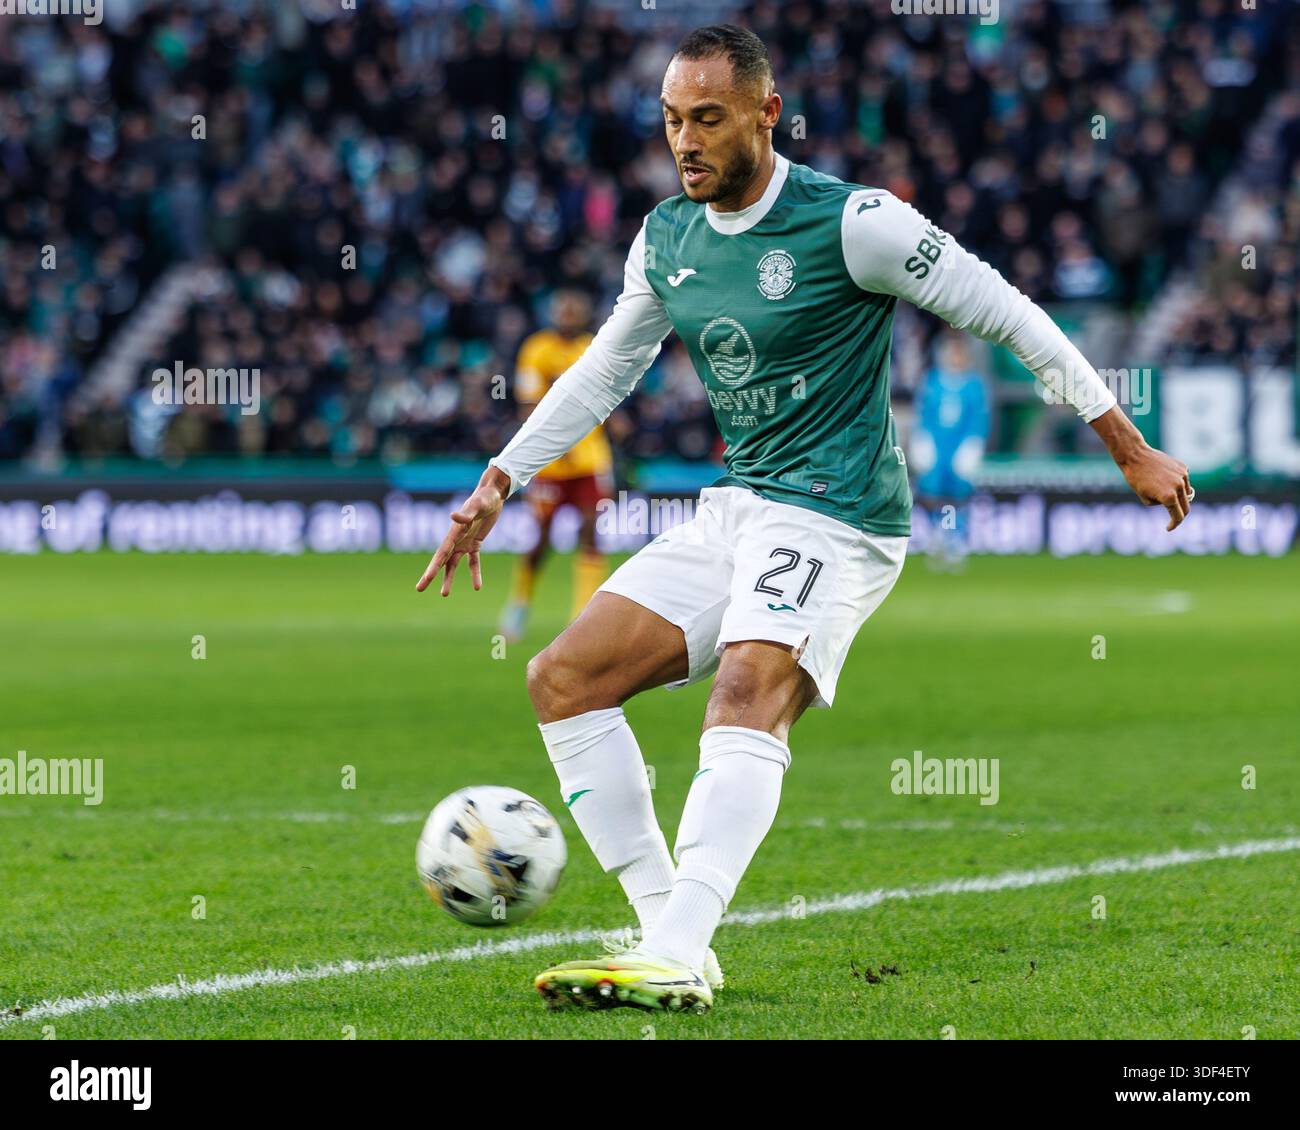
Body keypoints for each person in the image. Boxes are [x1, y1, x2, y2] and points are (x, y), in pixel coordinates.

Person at [416, 25, 1193, 1014]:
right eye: (670, 121)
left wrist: (1125, 442)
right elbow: (608, 365)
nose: (685, 141)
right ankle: (669, 933)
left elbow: (1005, 311)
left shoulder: (854, 222)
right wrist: (499, 479)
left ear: (765, 113)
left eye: (707, 118)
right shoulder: (666, 236)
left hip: (839, 516)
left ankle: (677, 942)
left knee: (745, 686)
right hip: (743, 507)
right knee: (562, 678)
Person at [498, 289, 613, 641]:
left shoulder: (593, 346)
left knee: (591, 530)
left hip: (590, 459)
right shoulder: (537, 349)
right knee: (543, 539)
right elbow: (528, 403)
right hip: (550, 463)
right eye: (563, 309)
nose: (568, 315)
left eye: (574, 310)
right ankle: (519, 602)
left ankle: (581, 615)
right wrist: (553, 443)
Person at [911, 333, 991, 569]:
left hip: (959, 447)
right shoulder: (932, 382)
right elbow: (923, 414)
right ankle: (938, 537)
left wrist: (973, 444)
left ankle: (956, 538)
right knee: (932, 491)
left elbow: (979, 419)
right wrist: (921, 440)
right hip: (937, 448)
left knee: (958, 494)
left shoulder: (974, 385)